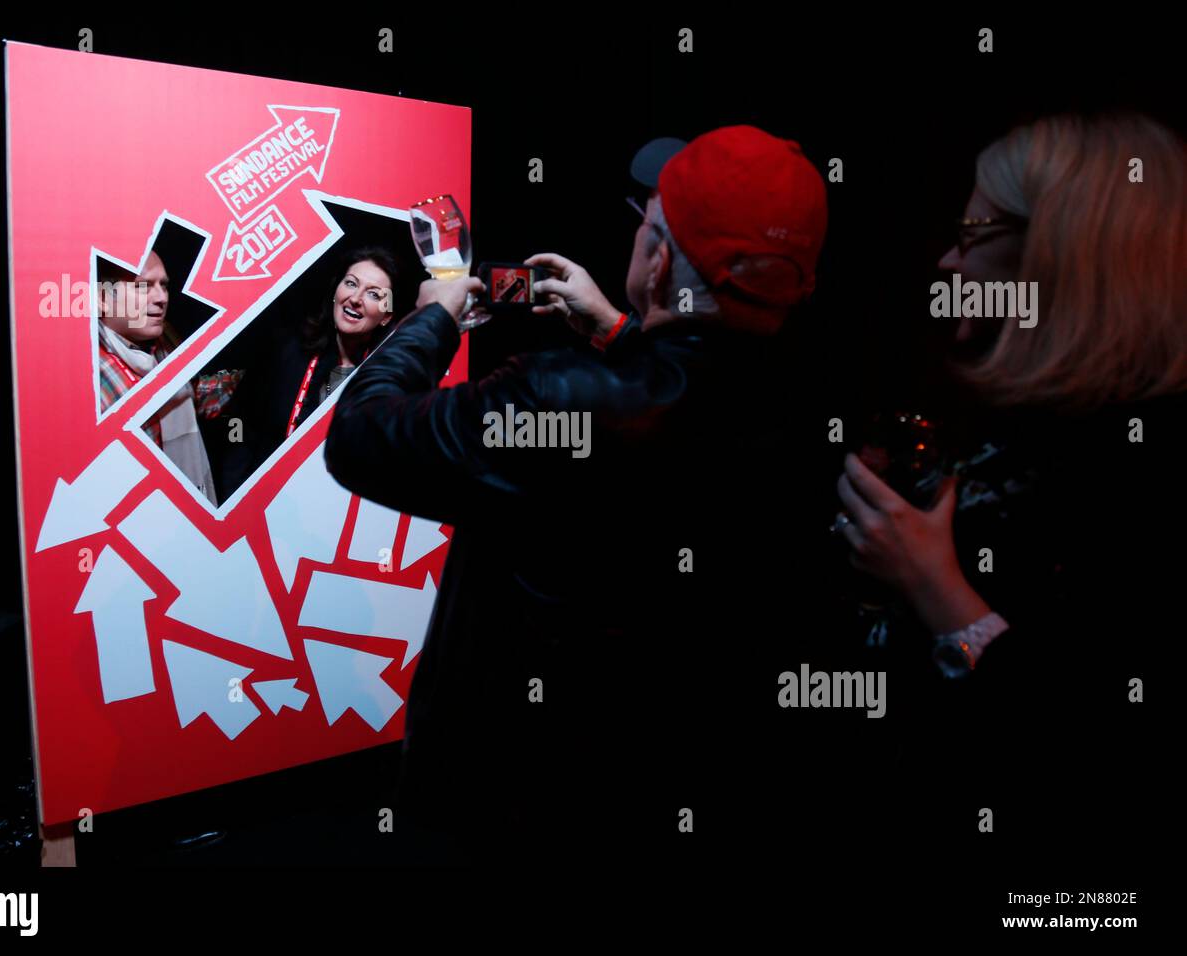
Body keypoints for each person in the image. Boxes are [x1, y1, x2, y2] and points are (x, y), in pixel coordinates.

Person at [324, 126, 828, 861]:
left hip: (523, 793)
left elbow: (362, 438)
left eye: (649, 222)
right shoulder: (808, 408)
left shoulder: (560, 398)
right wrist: (623, 335)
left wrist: (432, 314)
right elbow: (682, 406)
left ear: (658, 266)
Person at [832, 112, 1185, 853]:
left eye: (972, 235)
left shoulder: (1144, 475)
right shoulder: (1025, 430)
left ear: (1057, 255)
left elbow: (1090, 754)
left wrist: (933, 587)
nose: (945, 263)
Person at [214, 246, 399, 499]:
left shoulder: (386, 386)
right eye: (351, 283)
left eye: (374, 294)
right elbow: (239, 420)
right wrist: (234, 486)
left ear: (386, 316)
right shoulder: (288, 351)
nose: (356, 298)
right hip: (258, 504)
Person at [96, 251, 241, 505]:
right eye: (143, 286)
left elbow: (196, 399)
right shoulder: (91, 374)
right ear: (102, 299)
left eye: (164, 285)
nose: (161, 298)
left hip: (195, 506)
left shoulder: (165, 342)